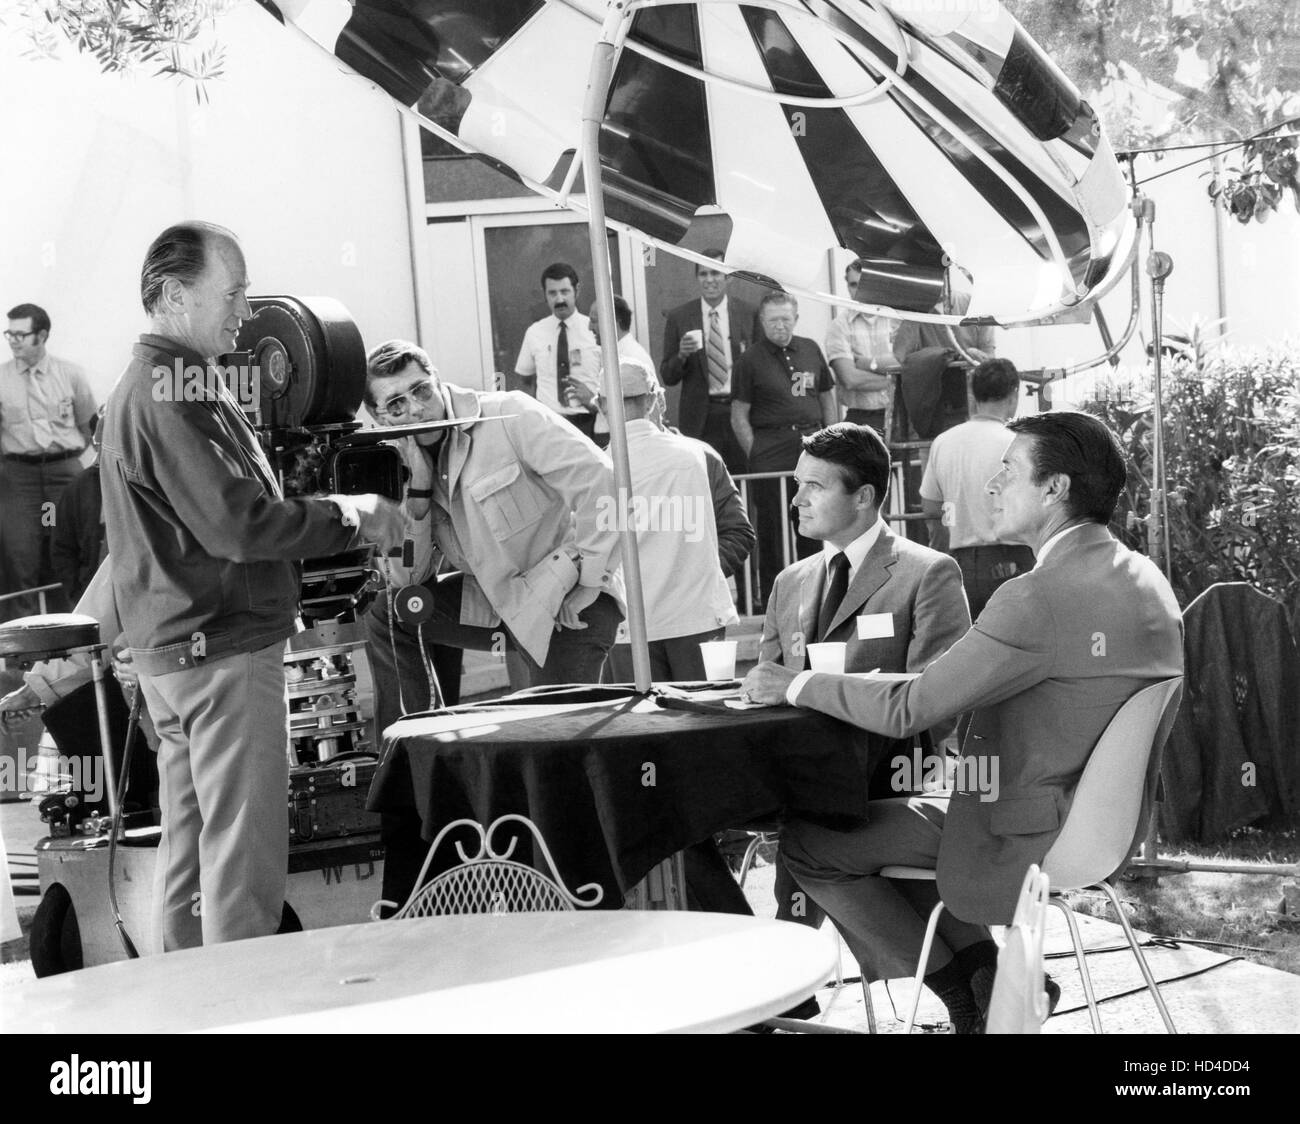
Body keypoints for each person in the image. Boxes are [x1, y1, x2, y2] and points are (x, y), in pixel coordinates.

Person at [741, 411, 1183, 1031]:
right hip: (1101, 824)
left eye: (1007, 470)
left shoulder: (1036, 597)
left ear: (1055, 488)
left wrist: (799, 683)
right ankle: (985, 982)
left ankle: (964, 990)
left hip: (1027, 824)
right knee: (892, 825)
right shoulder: (1142, 578)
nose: (991, 486)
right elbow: (932, 689)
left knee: (815, 842)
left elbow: (910, 708)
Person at [99, 221, 406, 952]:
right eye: (232, 293)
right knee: (242, 864)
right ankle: (242, 1012)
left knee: (191, 853)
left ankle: (186, 1007)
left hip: (176, 654)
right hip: (220, 652)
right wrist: (351, 515)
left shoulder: (159, 384)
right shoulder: (171, 392)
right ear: (174, 295)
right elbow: (237, 526)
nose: (247, 312)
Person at [758, 422, 970, 934]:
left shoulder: (928, 572)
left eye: (815, 486)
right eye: (797, 483)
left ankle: (788, 974)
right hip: (798, 776)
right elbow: (767, 682)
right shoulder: (791, 582)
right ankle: (776, 969)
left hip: (894, 776)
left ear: (864, 497)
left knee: (809, 839)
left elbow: (937, 702)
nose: (797, 499)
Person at [602, 362, 744, 682]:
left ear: (600, 405)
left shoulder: (594, 468)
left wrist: (707, 568)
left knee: (641, 727)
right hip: (692, 617)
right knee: (704, 721)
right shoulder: (695, 456)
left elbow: (737, 531)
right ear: (655, 400)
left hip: (634, 623)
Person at [731, 291, 838, 608]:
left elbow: (827, 396)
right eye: (773, 319)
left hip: (813, 450)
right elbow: (739, 415)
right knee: (773, 530)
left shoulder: (810, 348)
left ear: (796, 319)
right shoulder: (749, 360)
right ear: (762, 322)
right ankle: (777, 599)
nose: (780, 325)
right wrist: (758, 453)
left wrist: (832, 439)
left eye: (785, 319)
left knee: (814, 523)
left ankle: (817, 593)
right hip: (770, 454)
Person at [1, 302, 98, 616]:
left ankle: (71, 636)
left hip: (62, 476)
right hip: (19, 480)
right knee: (21, 556)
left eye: (21, 334)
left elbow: (88, 429)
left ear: (42, 336)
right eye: (9, 334)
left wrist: (62, 458)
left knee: (62, 547)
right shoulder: (1, 379)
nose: (13, 340)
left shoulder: (71, 375)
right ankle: (20, 651)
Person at [920, 358, 1034, 619]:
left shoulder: (943, 442)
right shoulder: (1018, 442)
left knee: (969, 650)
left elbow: (930, 507)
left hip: (960, 566)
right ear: (1014, 394)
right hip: (1013, 560)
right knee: (1015, 649)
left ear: (973, 394)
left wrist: (955, 522)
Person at [659, 249, 756, 475]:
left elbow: (760, 368)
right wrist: (681, 355)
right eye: (703, 274)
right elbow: (668, 376)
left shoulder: (748, 313)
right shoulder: (679, 317)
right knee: (705, 481)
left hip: (740, 412)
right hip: (701, 417)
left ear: (728, 277)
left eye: (716, 273)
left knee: (746, 479)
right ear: (697, 278)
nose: (710, 280)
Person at [512, 262, 601, 439]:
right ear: (545, 295)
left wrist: (593, 399)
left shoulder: (595, 330)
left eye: (565, 291)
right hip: (550, 425)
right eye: (552, 293)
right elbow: (525, 379)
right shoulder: (535, 332)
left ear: (577, 290)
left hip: (590, 422)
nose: (559, 299)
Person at [823, 260, 901, 439]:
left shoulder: (897, 319)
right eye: (853, 284)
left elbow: (907, 363)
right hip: (861, 419)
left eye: (864, 284)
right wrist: (896, 380)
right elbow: (850, 379)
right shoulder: (839, 326)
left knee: (907, 466)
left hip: (901, 415)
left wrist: (866, 364)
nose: (858, 290)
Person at [51, 406, 107, 604]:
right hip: (94, 595)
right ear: (94, 442)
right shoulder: (78, 489)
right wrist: (78, 594)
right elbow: (62, 548)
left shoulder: (147, 479)